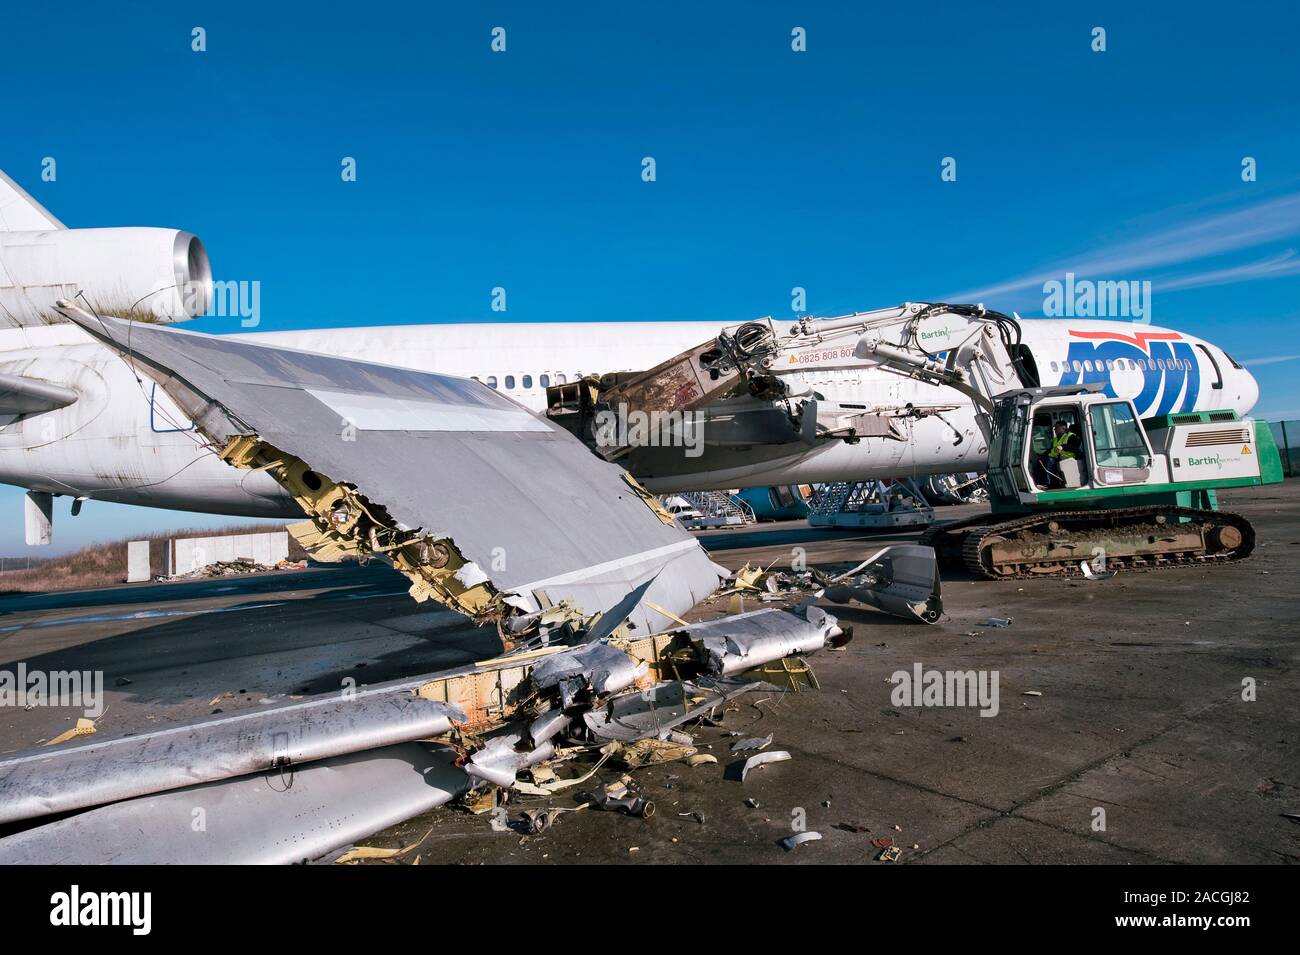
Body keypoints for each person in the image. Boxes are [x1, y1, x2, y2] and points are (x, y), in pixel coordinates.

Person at [1039, 419, 1082, 487]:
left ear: (1063, 428)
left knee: (1049, 460)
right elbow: (1051, 450)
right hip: (1056, 457)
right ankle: (1041, 483)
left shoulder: (1071, 436)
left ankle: (1048, 483)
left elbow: (1075, 447)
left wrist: (1063, 447)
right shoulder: (1055, 439)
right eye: (1054, 428)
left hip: (1068, 458)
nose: (1054, 429)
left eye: (1056, 428)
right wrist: (1042, 455)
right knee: (1041, 461)